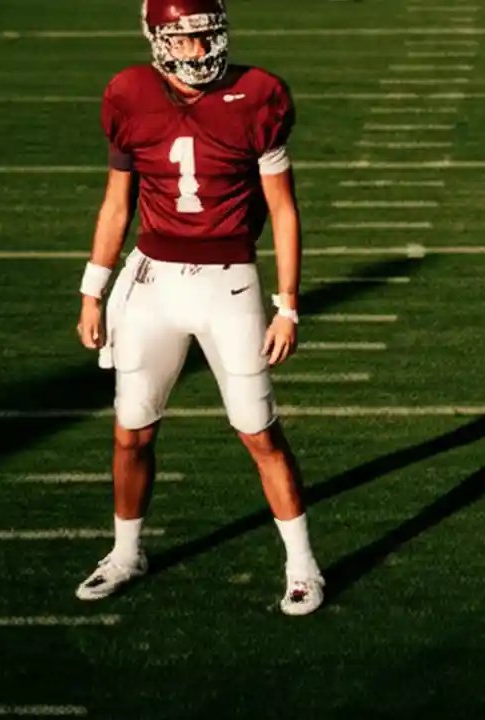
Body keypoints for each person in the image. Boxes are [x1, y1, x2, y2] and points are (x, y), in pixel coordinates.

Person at [72, 0, 324, 616]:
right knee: (132, 431)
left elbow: (284, 211)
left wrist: (287, 305)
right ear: (156, 40)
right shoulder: (130, 94)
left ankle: (302, 566)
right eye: (183, 41)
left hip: (229, 283)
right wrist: (91, 288)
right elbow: (115, 204)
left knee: (258, 431)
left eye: (207, 37)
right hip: (151, 281)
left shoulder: (258, 95)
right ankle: (127, 552)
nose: (198, 51)